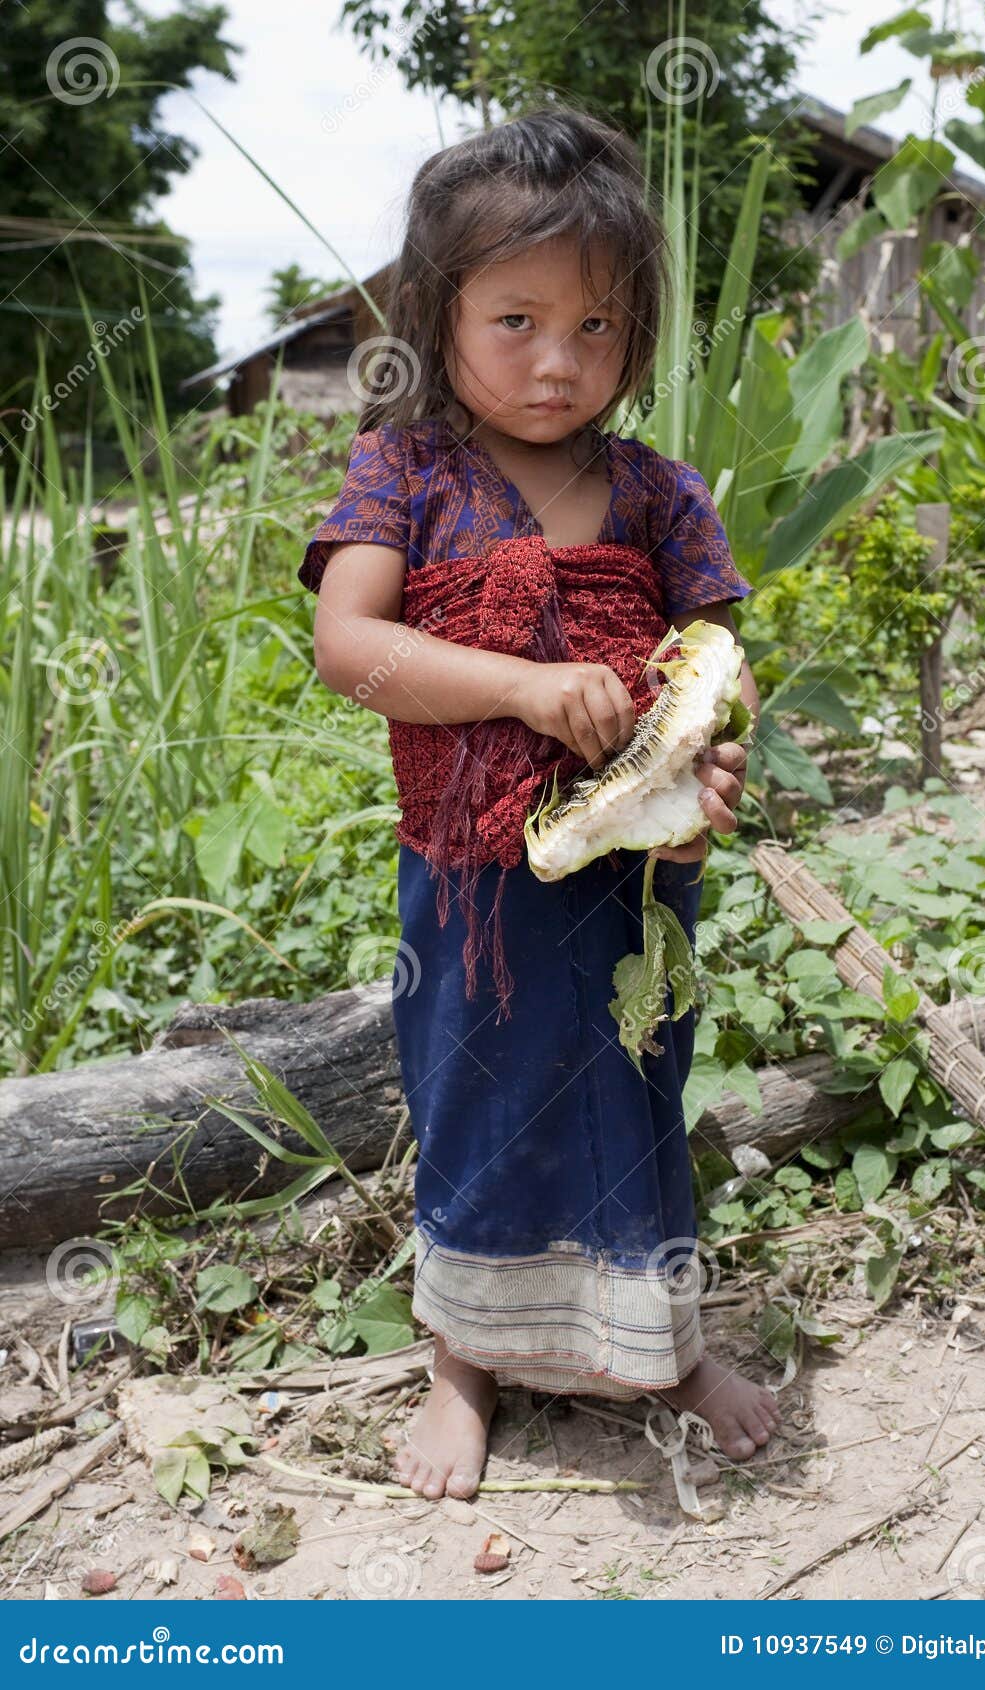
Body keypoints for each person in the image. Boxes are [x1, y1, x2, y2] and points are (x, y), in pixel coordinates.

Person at [297, 104, 782, 1503]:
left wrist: (715, 752)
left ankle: (664, 1346)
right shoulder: (404, 471)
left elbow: (717, 662)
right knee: (475, 1093)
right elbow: (349, 646)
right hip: (471, 882)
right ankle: (463, 1360)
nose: (559, 361)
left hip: (637, 880)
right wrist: (521, 686)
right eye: (516, 321)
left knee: (641, 1079)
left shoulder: (656, 494)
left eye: (596, 327)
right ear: (439, 315)